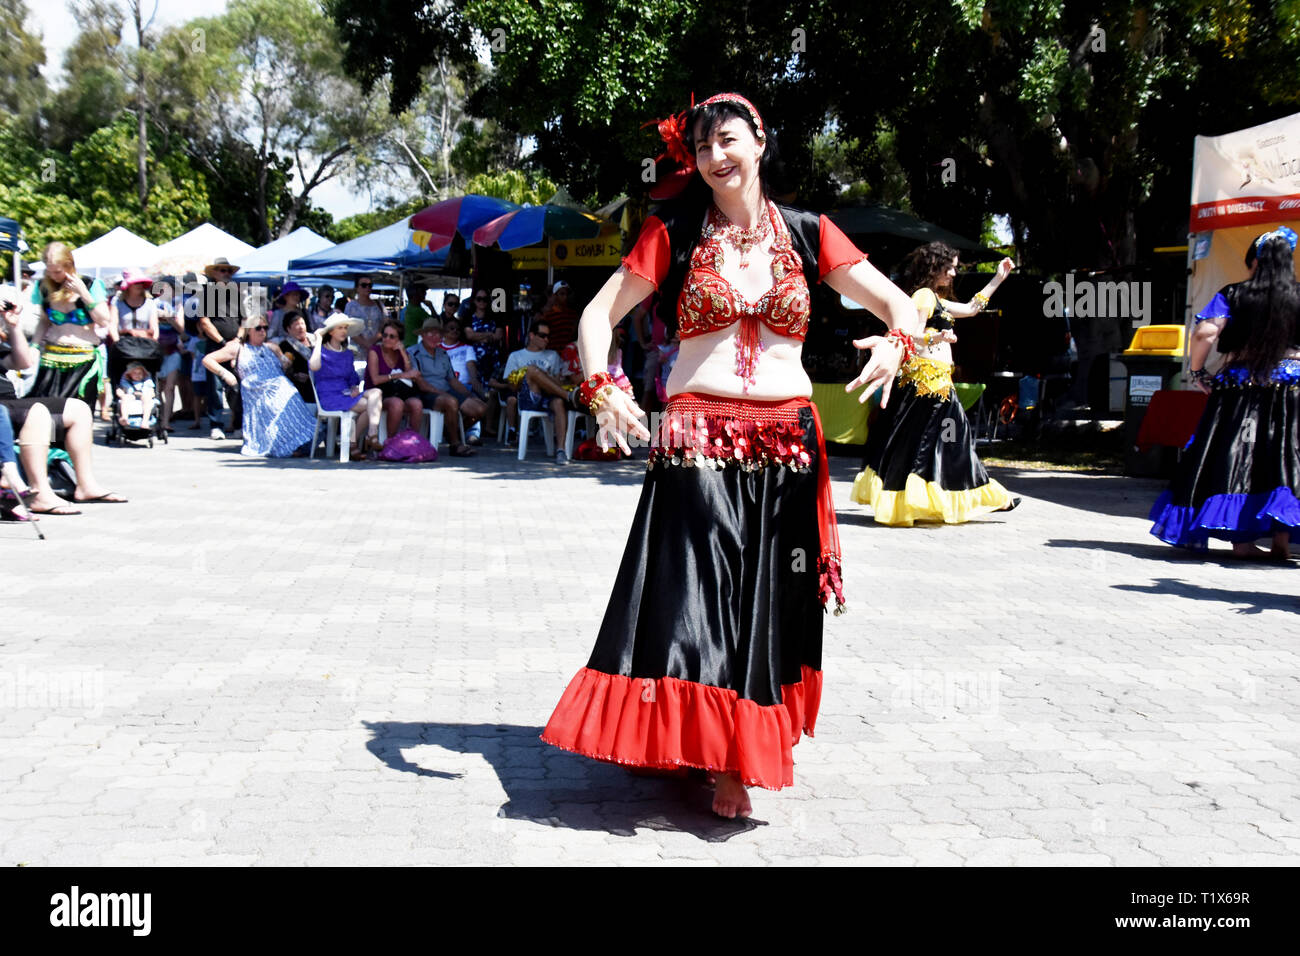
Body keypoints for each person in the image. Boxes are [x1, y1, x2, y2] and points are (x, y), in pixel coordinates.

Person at [540, 93, 918, 818]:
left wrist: (897, 345)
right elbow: (597, 315)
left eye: (730, 140)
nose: (718, 156)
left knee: (763, 601)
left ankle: (732, 750)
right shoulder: (675, 231)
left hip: (785, 443)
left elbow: (898, 305)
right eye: (705, 146)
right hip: (695, 437)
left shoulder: (808, 234)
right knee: (698, 600)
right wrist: (599, 387)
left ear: (760, 141)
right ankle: (718, 759)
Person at [1149, 227, 1300, 559]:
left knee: (1238, 457)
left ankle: (1242, 544)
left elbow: (1204, 332)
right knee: (1285, 458)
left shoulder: (1234, 294)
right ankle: (1281, 544)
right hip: (1294, 392)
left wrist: (1198, 371)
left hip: (1241, 390)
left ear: (1255, 261)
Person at [849, 242, 1019, 524]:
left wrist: (998, 278)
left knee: (941, 443)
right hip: (925, 386)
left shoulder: (937, 299)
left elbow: (972, 308)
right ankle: (980, 496)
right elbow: (911, 335)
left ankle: (984, 496)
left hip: (938, 384)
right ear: (935, 267)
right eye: (949, 266)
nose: (953, 273)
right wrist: (935, 338)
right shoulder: (923, 296)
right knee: (946, 441)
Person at [1, 299, 128, 512]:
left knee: (78, 409)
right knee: (38, 412)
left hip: (12, 402)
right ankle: (40, 493)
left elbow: (22, 362)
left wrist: (13, 326)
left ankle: (85, 485)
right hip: (2, 408)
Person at [203, 313, 316, 458]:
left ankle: (296, 444)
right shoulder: (239, 348)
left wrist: (285, 362)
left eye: (265, 327)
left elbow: (285, 366)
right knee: (275, 404)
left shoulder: (272, 347)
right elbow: (208, 359)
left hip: (282, 389)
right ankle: (283, 445)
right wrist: (226, 374)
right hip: (258, 393)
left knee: (292, 404)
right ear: (249, 330)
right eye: (258, 328)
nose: (262, 331)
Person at [27, 242, 112, 404]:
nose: (53, 276)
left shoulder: (90, 284)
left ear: (70, 265)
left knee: (80, 412)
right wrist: (34, 346)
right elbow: (44, 321)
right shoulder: (42, 286)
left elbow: (103, 321)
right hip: (52, 355)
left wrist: (84, 294)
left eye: (58, 271)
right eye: (49, 271)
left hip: (84, 357)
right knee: (45, 410)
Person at [494, 319, 572, 463]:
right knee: (531, 371)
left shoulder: (552, 355)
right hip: (528, 397)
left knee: (559, 403)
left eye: (548, 336)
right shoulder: (516, 356)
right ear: (531, 336)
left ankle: (561, 450)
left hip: (549, 397)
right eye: (542, 335)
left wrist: (544, 377)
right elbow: (511, 387)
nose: (546, 340)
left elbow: (559, 381)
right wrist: (535, 375)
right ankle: (569, 396)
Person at [309, 313, 383, 458]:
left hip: (346, 394)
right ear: (331, 331)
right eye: (340, 328)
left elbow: (352, 377)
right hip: (329, 396)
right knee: (370, 406)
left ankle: (371, 433)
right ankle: (353, 443)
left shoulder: (347, 353)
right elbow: (313, 366)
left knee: (376, 394)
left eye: (345, 328)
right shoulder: (321, 351)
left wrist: (354, 387)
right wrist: (318, 342)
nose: (344, 331)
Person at [406, 317, 478, 457]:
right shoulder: (412, 352)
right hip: (425, 393)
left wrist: (469, 395)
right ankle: (455, 444)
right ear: (422, 335)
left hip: (445, 390)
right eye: (430, 333)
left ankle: (449, 431)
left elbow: (452, 379)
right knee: (450, 401)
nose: (435, 337)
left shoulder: (443, 353)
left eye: (438, 334)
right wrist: (441, 393)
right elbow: (419, 382)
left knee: (479, 408)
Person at [197, 257, 247, 441]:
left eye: (228, 271)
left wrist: (238, 339)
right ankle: (216, 425)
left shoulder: (238, 294)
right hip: (216, 346)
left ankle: (237, 424)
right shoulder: (208, 294)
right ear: (214, 273)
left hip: (236, 345)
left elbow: (245, 321)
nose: (226, 274)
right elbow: (204, 321)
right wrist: (222, 341)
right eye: (221, 270)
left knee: (238, 386)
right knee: (215, 387)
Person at [365, 319, 424, 438]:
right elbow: (375, 379)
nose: (387, 339)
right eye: (385, 335)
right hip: (377, 394)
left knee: (417, 404)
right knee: (397, 404)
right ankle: (390, 442)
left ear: (399, 339)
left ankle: (413, 441)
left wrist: (402, 352)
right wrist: (399, 375)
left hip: (398, 392)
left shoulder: (401, 353)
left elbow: (410, 374)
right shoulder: (374, 351)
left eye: (392, 336)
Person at [278, 311, 317, 403]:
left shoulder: (316, 340)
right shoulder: (284, 346)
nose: (300, 327)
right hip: (302, 388)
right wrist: (295, 376)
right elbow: (282, 371)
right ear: (288, 329)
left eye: (302, 323)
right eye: (296, 324)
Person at [346, 275, 386, 352]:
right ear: (357, 288)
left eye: (370, 285)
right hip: (357, 351)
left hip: (376, 349)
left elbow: (385, 325)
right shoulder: (351, 306)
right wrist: (366, 344)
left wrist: (373, 341)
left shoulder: (379, 305)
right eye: (364, 285)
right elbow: (349, 328)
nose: (367, 287)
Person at [116, 362, 156, 428]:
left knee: (147, 398)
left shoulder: (147, 381)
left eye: (140, 373)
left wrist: (149, 394)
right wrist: (122, 395)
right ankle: (124, 417)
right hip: (131, 396)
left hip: (143, 396)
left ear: (144, 374)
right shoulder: (126, 382)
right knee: (126, 398)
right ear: (130, 374)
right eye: (134, 373)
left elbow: (152, 392)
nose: (137, 375)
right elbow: (120, 390)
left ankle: (145, 421)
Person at [542, 280, 580, 350]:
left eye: (567, 294)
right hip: (552, 354)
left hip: (569, 354)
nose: (565, 297)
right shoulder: (547, 315)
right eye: (562, 294)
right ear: (555, 295)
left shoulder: (573, 315)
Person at [402, 282, 433, 347]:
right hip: (415, 346)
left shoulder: (406, 309)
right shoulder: (417, 310)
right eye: (423, 292)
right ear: (415, 295)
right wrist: (431, 307)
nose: (425, 295)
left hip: (407, 344)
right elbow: (435, 323)